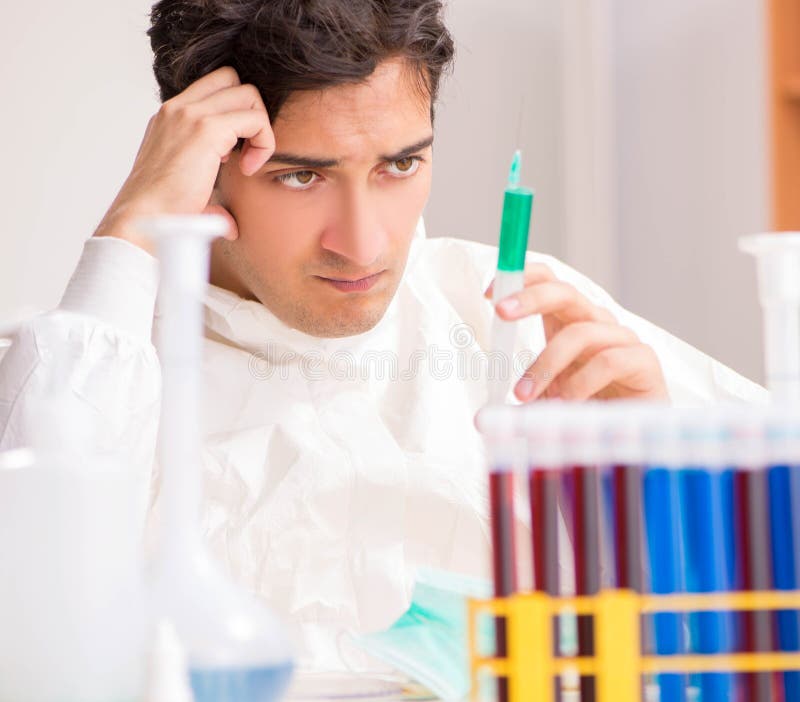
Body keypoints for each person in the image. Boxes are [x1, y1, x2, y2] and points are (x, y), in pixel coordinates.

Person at [0, 0, 765, 675]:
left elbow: (739, 622)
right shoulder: (90, 372)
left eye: (401, 164)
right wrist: (133, 226)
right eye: (300, 176)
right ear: (201, 163)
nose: (363, 247)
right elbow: (32, 622)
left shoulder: (527, 318)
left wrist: (665, 485)